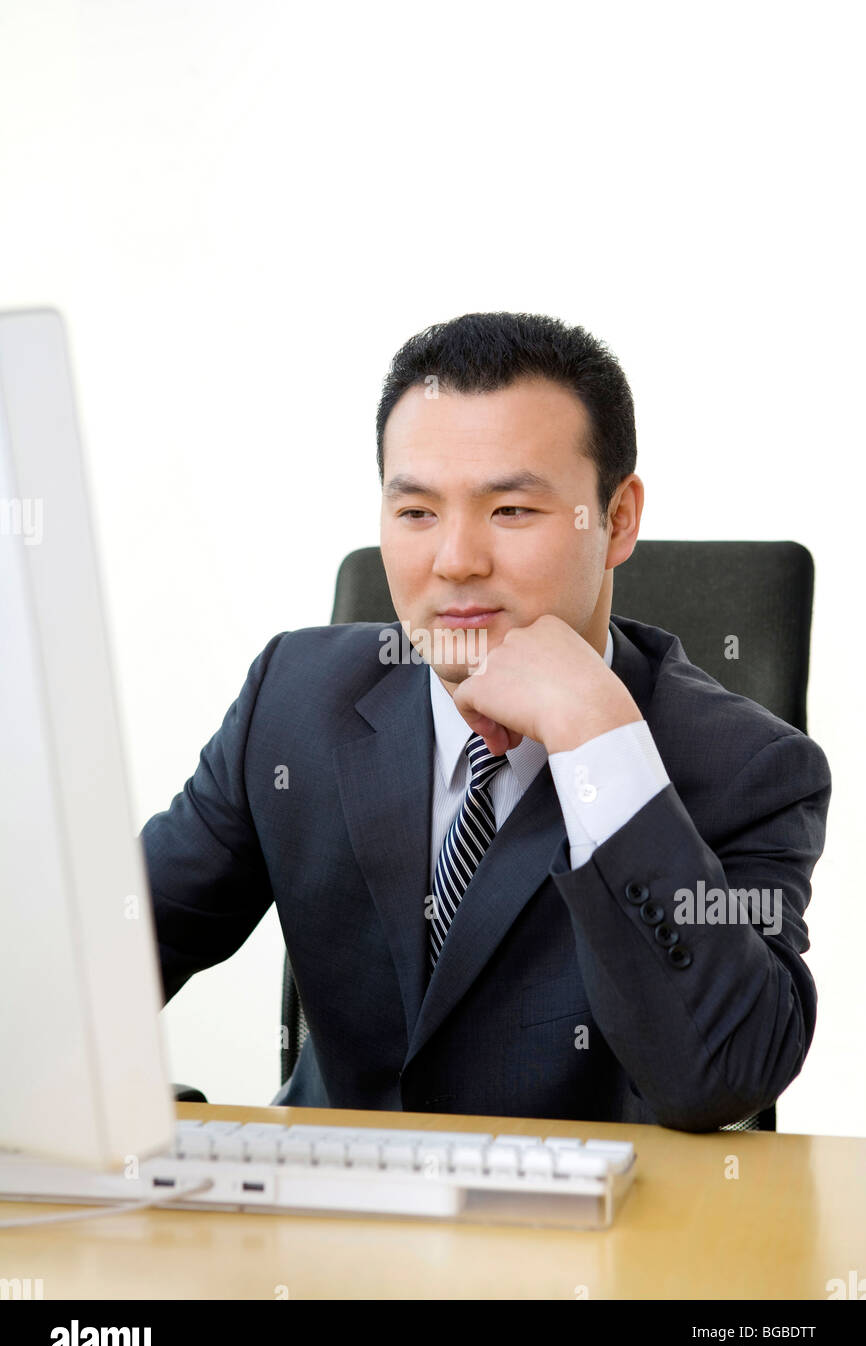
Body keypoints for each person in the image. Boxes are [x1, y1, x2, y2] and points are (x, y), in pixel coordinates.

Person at [142, 311, 831, 1131]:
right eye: (417, 513)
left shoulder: (749, 767)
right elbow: (99, 971)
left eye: (509, 510)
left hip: (605, 1243)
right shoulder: (290, 701)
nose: (456, 559)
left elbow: (723, 1075)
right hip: (332, 1226)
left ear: (616, 519)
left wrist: (598, 741)